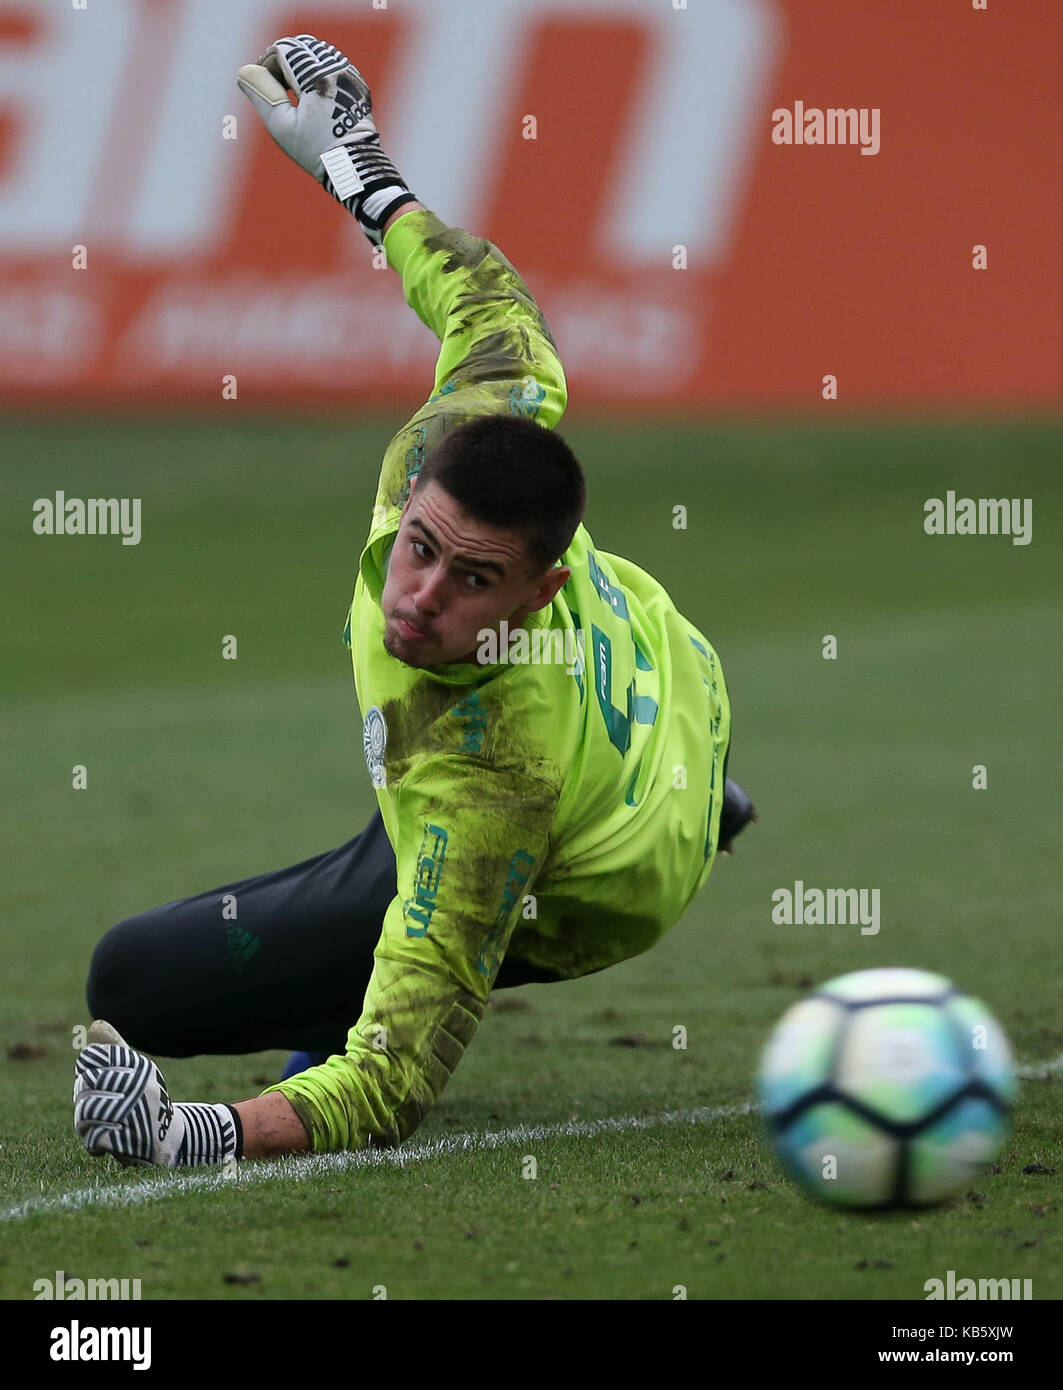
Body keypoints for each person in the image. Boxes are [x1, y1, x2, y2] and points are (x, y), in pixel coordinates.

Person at [74, 34, 755, 1170]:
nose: (417, 594)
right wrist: (360, 168)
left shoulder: (491, 784)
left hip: (608, 880)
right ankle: (681, 779)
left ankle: (668, 810)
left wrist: (190, 1131)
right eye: (422, 547)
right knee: (361, 915)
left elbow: (395, 1081)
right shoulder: (444, 445)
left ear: (538, 592)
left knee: (135, 982)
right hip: (665, 669)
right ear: (419, 485)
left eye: (471, 578)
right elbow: (491, 302)